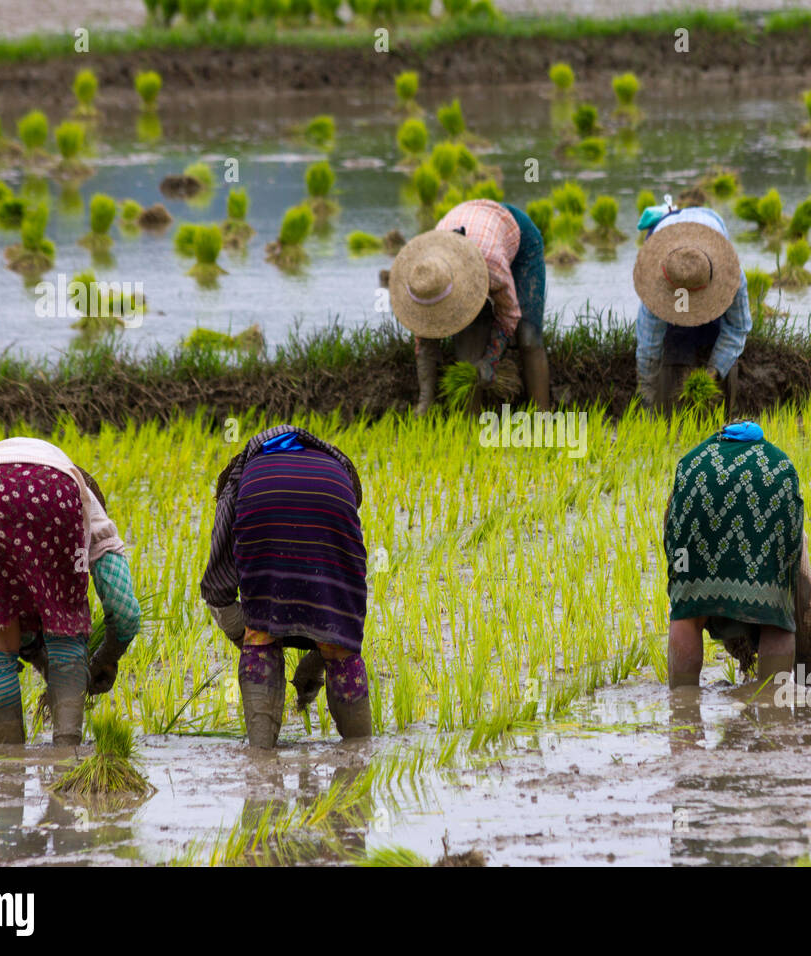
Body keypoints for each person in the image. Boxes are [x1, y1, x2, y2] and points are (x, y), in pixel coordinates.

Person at [0, 437, 140, 747]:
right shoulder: (84, 501)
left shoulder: (7, 471)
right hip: (50, 491)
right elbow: (125, 611)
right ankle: (66, 756)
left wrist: (41, 659)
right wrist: (104, 658)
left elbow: (24, 620)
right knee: (66, 634)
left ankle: (7, 766)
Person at [200, 424, 370, 747]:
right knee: (342, 645)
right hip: (333, 496)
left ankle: (261, 760)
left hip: (263, 499)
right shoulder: (334, 468)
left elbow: (218, 586)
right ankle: (361, 757)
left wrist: (251, 635)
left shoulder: (240, 477)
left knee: (260, 637)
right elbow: (343, 615)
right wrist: (325, 650)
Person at [664, 420, 811, 690]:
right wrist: (808, 675)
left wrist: (683, 594)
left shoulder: (692, 464)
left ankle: (682, 709)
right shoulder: (778, 467)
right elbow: (803, 597)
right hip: (772, 501)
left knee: (688, 611)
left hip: (693, 517)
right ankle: (773, 706)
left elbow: (672, 539)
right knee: (775, 612)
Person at [390, 198, 551, 413]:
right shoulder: (423, 275)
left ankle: (544, 418)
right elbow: (425, 341)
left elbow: (510, 315)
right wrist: (425, 400)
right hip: (469, 225)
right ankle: (469, 419)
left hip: (515, 233)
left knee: (528, 337)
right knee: (468, 337)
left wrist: (491, 360)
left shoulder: (491, 267)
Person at [633, 200, 751, 415]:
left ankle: (724, 413)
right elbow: (648, 347)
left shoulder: (732, 276)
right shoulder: (656, 282)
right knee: (675, 340)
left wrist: (713, 372)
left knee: (720, 343)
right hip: (666, 237)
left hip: (710, 226)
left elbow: (738, 328)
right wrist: (646, 397)